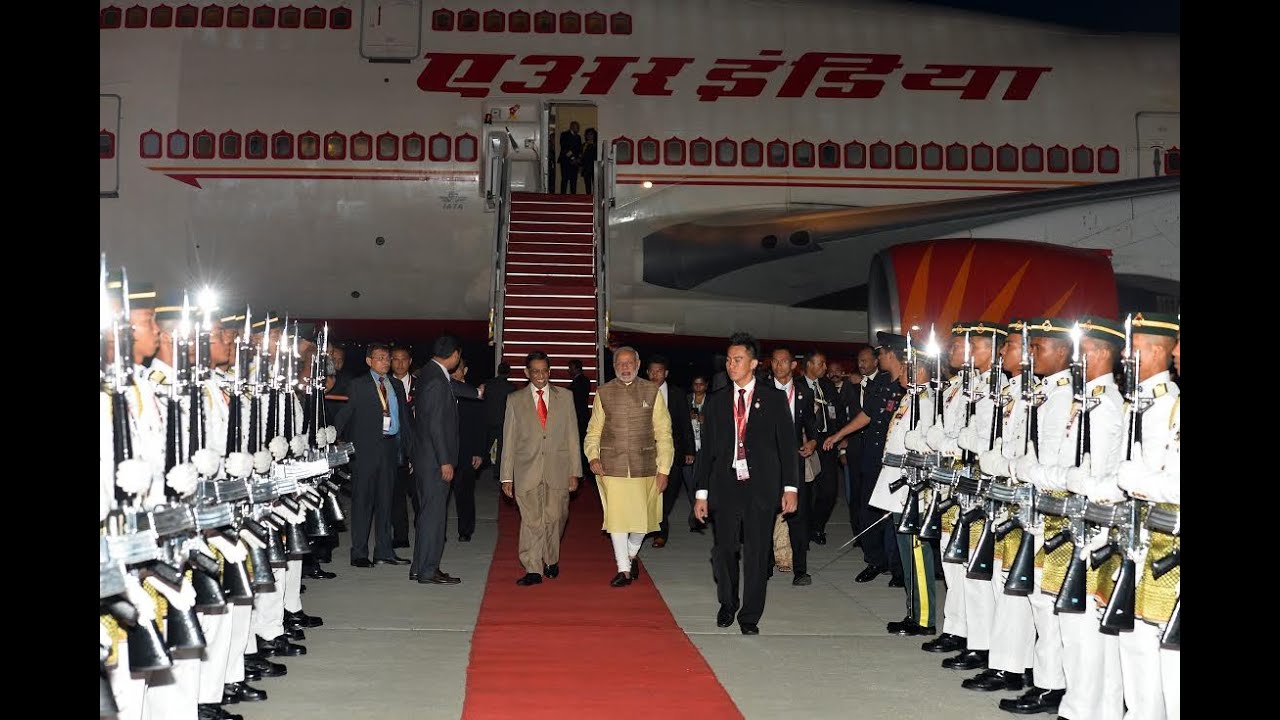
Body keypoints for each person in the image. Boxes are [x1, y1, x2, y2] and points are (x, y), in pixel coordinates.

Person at [693, 333, 799, 634]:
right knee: (724, 549)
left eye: (737, 360)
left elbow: (787, 447)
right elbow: (707, 451)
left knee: (756, 552)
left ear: (753, 363)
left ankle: (750, 616)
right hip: (725, 486)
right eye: (728, 360)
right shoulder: (715, 402)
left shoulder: (774, 399)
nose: (731, 365)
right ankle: (727, 603)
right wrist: (701, 493)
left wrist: (790, 488)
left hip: (760, 487)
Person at [583, 346, 674, 587]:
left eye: (629, 363)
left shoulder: (652, 391)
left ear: (637, 363)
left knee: (642, 521)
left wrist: (664, 468)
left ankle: (632, 554)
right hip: (611, 466)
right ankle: (623, 569)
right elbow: (593, 432)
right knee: (617, 519)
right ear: (614, 367)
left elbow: (664, 434)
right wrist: (593, 457)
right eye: (620, 363)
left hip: (645, 466)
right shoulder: (603, 393)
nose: (625, 368)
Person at [500, 351, 583, 585]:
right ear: (527, 373)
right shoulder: (515, 400)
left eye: (544, 371)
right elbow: (509, 439)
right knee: (531, 521)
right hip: (526, 470)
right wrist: (506, 476)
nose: (540, 376)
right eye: (535, 371)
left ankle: (551, 558)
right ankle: (533, 568)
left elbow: (572, 436)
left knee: (556, 517)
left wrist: (575, 472)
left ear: (549, 371)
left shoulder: (565, 397)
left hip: (558, 468)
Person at [334, 343, 414, 568]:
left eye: (387, 358)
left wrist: (410, 451)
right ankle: (359, 553)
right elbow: (344, 414)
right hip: (366, 450)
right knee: (363, 502)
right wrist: (332, 438)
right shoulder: (358, 385)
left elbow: (406, 420)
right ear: (369, 361)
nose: (386, 362)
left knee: (386, 501)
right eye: (380, 358)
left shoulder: (396, 385)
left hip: (390, 448)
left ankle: (384, 551)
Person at [409, 335, 465, 585]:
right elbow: (436, 425)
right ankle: (428, 570)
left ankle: (419, 567)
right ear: (454, 355)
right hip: (434, 460)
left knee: (426, 515)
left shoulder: (427, 374)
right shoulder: (437, 379)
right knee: (434, 517)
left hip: (426, 457)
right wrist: (445, 460)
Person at [558, 121, 582, 194]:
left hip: (575, 162)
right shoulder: (564, 135)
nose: (578, 129)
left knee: (573, 180)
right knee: (565, 179)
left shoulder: (578, 137)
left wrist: (578, 159)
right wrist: (572, 158)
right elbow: (564, 148)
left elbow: (579, 149)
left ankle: (573, 196)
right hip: (565, 161)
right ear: (571, 127)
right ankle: (563, 196)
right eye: (576, 127)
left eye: (578, 127)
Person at [581, 127, 598, 195]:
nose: (589, 136)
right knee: (587, 185)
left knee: (596, 184)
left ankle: (596, 199)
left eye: (591, 134)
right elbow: (582, 156)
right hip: (586, 167)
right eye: (587, 134)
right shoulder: (584, 145)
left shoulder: (597, 145)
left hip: (595, 167)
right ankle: (588, 199)